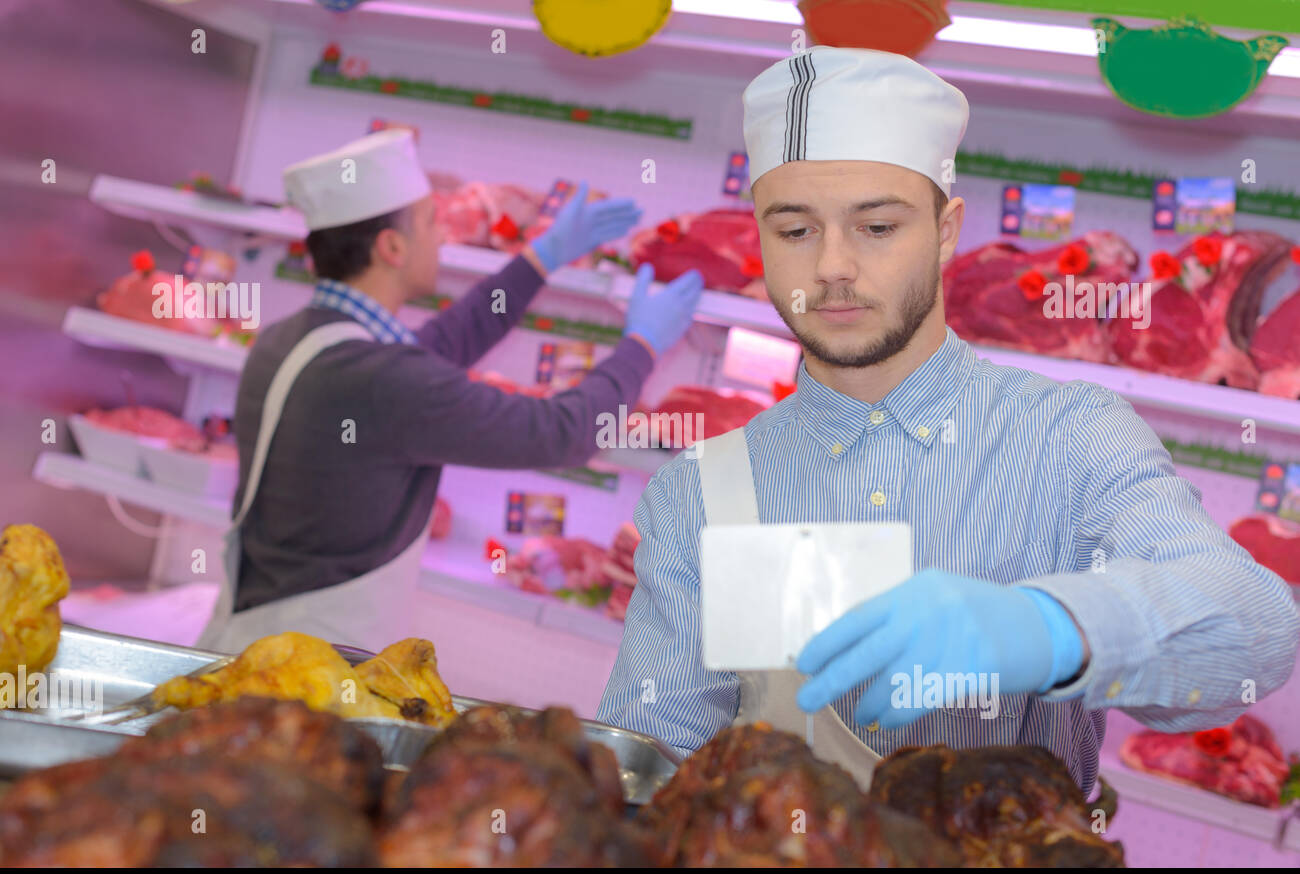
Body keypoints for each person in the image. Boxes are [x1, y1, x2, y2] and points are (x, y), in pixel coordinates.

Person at [597, 47, 1299, 794]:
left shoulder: (1070, 435)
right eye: (796, 230)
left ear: (945, 231)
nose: (833, 266)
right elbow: (649, 763)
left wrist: (1050, 628)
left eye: (877, 226)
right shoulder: (698, 493)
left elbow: (1256, 631)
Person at [198, 129, 703, 654]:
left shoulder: (293, 339)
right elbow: (566, 434)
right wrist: (641, 345)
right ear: (392, 247)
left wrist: (542, 259)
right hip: (317, 666)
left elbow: (441, 345)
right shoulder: (382, 379)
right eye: (431, 223)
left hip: (251, 633)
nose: (442, 236)